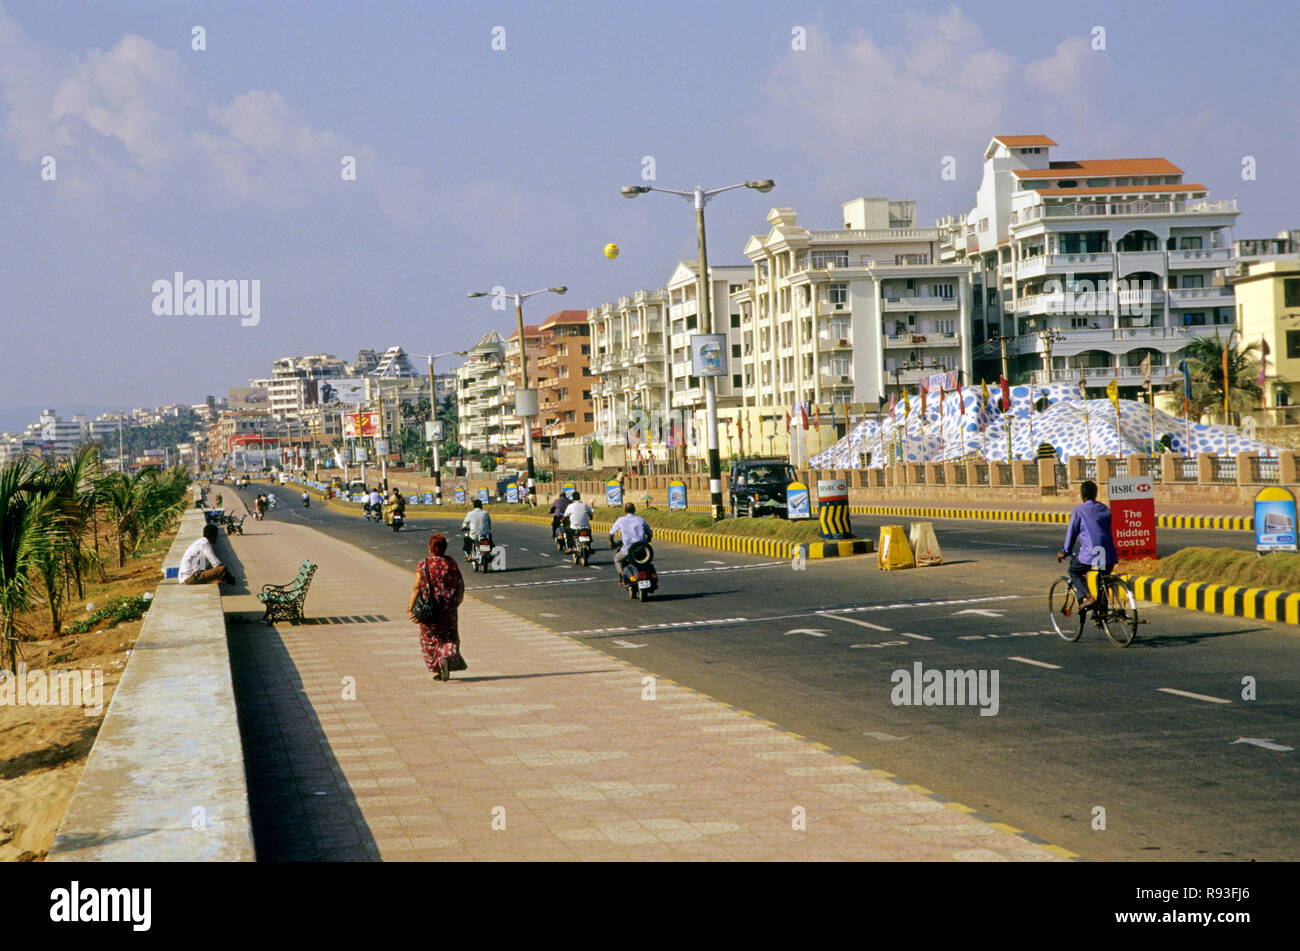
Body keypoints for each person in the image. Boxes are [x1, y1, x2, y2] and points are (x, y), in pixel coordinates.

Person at [407, 533, 467, 682]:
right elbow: (460, 585)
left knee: (429, 639)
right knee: (449, 637)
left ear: (430, 547)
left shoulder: (424, 564)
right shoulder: (451, 563)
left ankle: (436, 670)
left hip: (430, 610)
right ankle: (446, 656)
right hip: (448, 610)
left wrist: (410, 607)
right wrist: (456, 602)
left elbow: (417, 587)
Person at [1058, 480, 1118, 609]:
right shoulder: (1104, 508)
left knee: (1074, 572)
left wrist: (1065, 551)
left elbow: (1072, 532)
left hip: (1092, 554)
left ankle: (1088, 597)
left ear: (1082, 495)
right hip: (1108, 554)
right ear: (1096, 494)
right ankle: (1102, 612)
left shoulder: (1079, 510)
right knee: (1102, 580)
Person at [609, 501, 652, 580]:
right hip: (642, 549)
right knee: (648, 563)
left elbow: (611, 534)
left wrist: (612, 543)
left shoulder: (621, 520)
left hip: (627, 550)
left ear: (625, 511)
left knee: (617, 559)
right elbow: (649, 533)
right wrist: (648, 540)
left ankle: (622, 576)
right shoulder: (641, 520)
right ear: (634, 510)